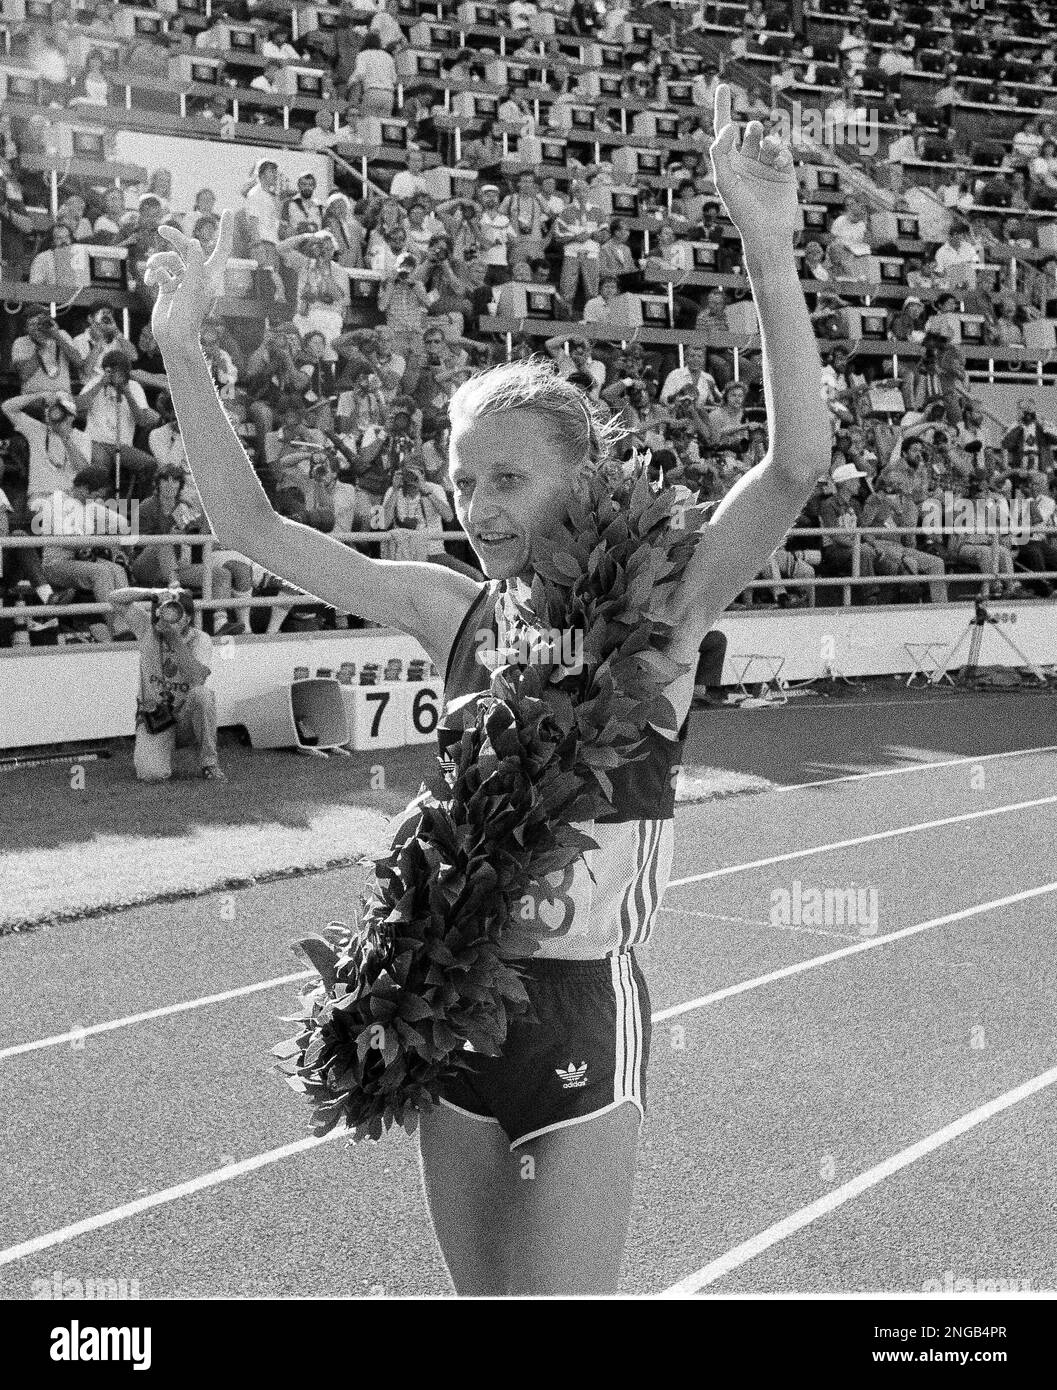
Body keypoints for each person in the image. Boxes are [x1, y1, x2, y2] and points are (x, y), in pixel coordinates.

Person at [144, 84, 830, 1296]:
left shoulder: (662, 614)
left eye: (508, 478)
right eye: (465, 482)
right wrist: (181, 349)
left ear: (583, 480)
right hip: (448, 1003)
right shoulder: (447, 610)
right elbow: (249, 525)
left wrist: (765, 243)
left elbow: (791, 468)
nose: (480, 507)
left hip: (580, 1014)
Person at [109, 585, 226, 782]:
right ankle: (159, 749)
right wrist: (151, 592)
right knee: (151, 775)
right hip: (156, 717)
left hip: (185, 716)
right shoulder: (147, 627)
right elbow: (114, 598)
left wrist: (174, 639)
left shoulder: (200, 639)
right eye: (166, 609)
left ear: (187, 618)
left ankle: (209, 763)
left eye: (175, 611)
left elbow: (196, 678)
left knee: (203, 694)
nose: (168, 616)